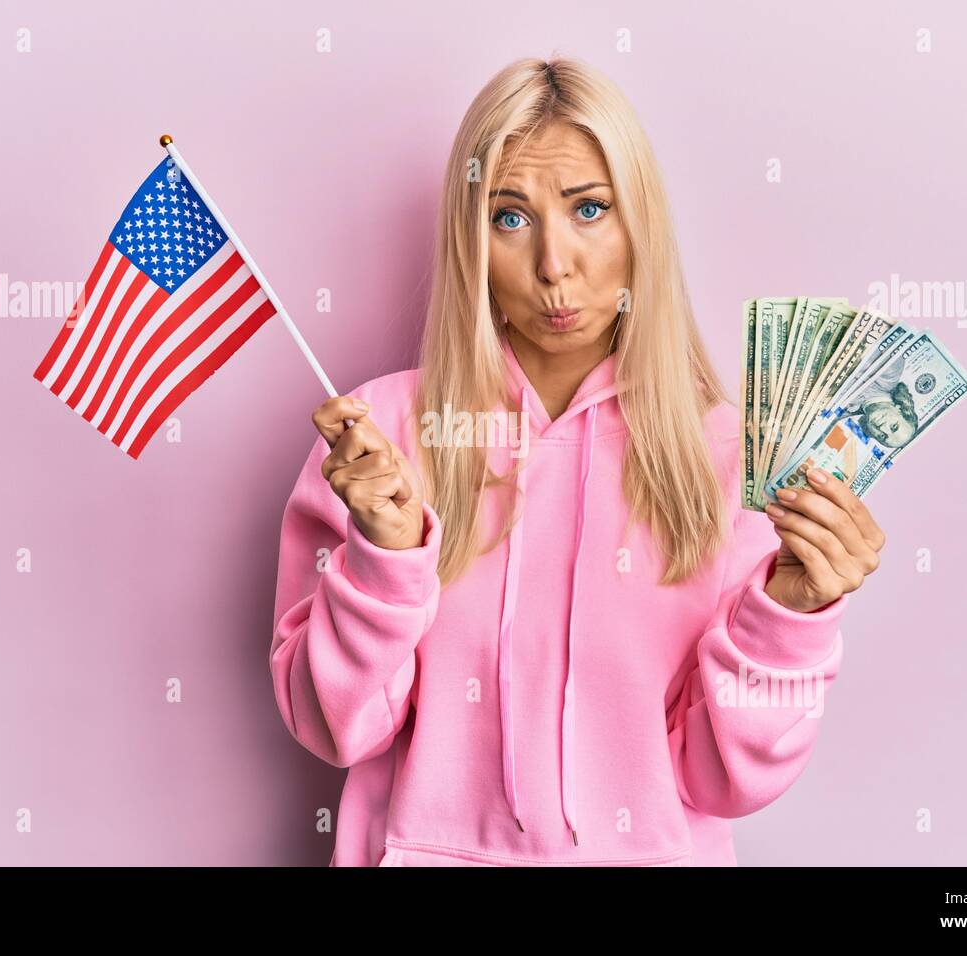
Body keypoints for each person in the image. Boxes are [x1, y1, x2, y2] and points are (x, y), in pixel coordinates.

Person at [269, 56, 885, 867]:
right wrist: (384, 559)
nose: (554, 265)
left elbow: (725, 779)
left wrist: (791, 615)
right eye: (510, 217)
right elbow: (334, 728)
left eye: (589, 208)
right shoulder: (375, 440)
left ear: (641, 228)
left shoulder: (737, 456)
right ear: (469, 240)